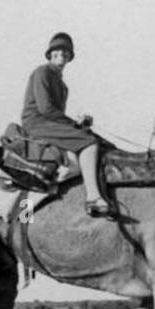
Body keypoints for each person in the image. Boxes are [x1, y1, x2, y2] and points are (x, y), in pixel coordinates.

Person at [20, 32, 116, 218]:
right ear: (50, 54)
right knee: (89, 142)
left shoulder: (63, 87)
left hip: (48, 122)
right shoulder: (42, 72)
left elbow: (56, 114)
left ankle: (45, 189)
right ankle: (93, 197)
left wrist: (78, 124)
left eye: (65, 52)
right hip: (37, 123)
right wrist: (75, 125)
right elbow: (46, 109)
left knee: (76, 163)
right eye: (57, 51)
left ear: (70, 57)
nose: (61, 55)